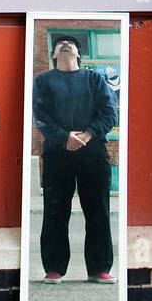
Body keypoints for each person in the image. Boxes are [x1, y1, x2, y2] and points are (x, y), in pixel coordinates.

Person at [32, 36, 118, 282]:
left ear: (79, 53)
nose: (65, 45)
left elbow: (109, 112)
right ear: (54, 55)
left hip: (93, 152)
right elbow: (40, 115)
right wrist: (65, 137)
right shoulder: (43, 81)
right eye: (60, 44)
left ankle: (100, 268)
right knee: (56, 211)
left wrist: (88, 134)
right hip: (58, 152)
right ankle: (54, 268)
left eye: (70, 44)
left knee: (98, 210)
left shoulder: (95, 79)